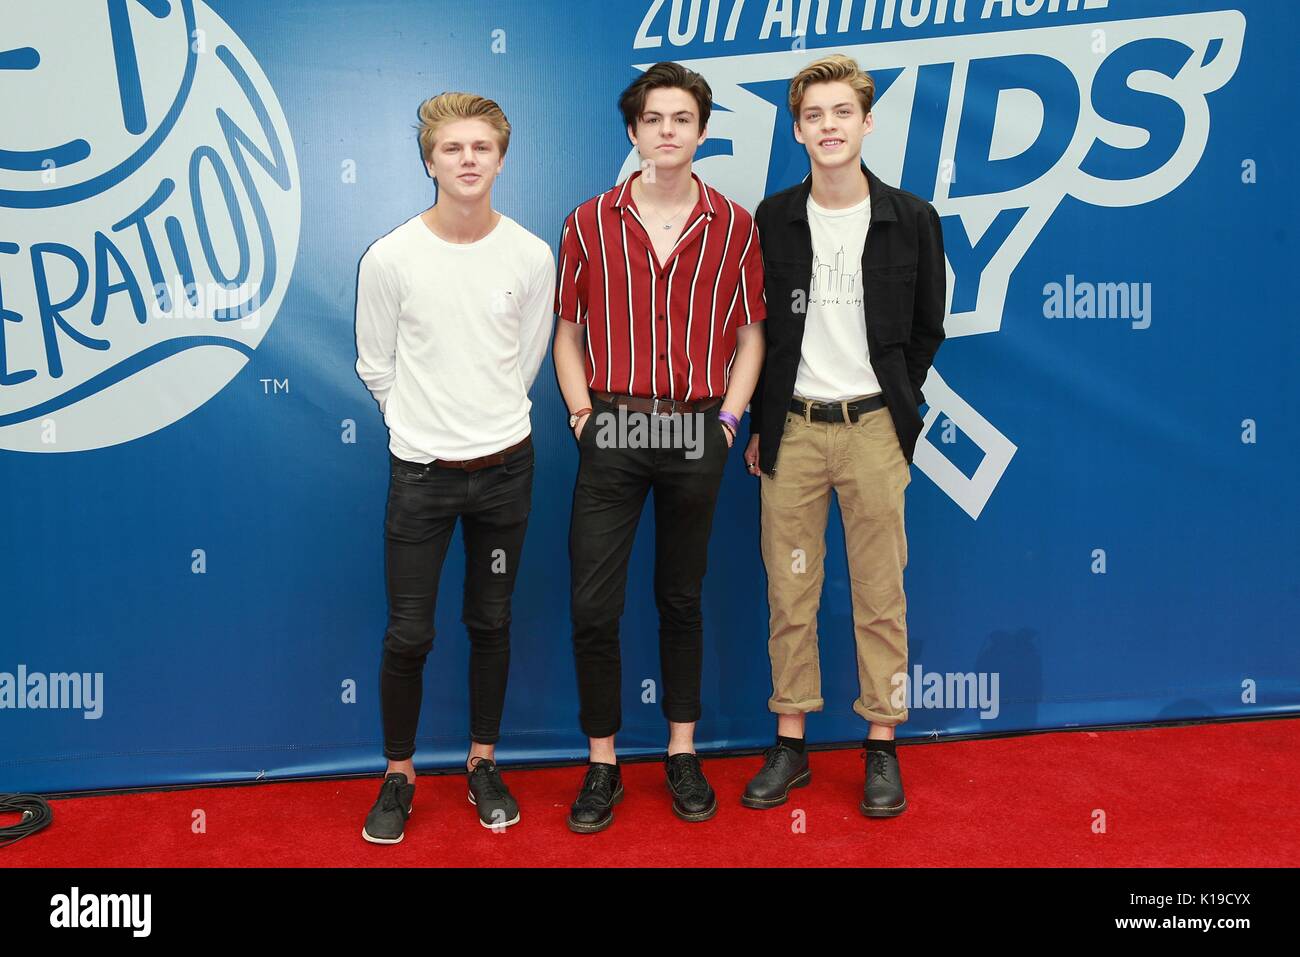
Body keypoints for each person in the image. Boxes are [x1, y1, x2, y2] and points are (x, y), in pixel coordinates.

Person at [553, 62, 766, 833]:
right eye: (653, 119)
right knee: (593, 604)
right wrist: (582, 416)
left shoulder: (736, 225)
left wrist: (729, 421)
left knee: (681, 598)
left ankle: (682, 750)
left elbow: (750, 336)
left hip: (695, 427)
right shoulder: (587, 222)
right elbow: (568, 332)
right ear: (634, 131)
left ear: (702, 131)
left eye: (682, 118)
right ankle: (603, 761)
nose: (668, 131)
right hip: (612, 424)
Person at [742, 54, 947, 818]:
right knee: (789, 591)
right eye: (814, 115)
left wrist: (893, 411)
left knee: (880, 596)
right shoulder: (772, 218)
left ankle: (882, 744)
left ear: (866, 121)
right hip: (791, 432)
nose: (828, 127)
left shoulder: (912, 218)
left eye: (841, 113)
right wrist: (764, 423)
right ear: (797, 130)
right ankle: (790, 743)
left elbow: (927, 327)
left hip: (872, 431)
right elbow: (758, 331)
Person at [354, 92, 555, 843]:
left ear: (501, 158)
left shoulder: (532, 256)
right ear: (430, 160)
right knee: (409, 632)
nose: (467, 159)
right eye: (451, 148)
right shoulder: (391, 257)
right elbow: (377, 367)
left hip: (506, 474)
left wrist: (486, 424)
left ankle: (481, 762)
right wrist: (422, 430)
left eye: (481, 147)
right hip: (422, 477)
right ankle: (399, 774)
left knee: (491, 619)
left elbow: (525, 359)